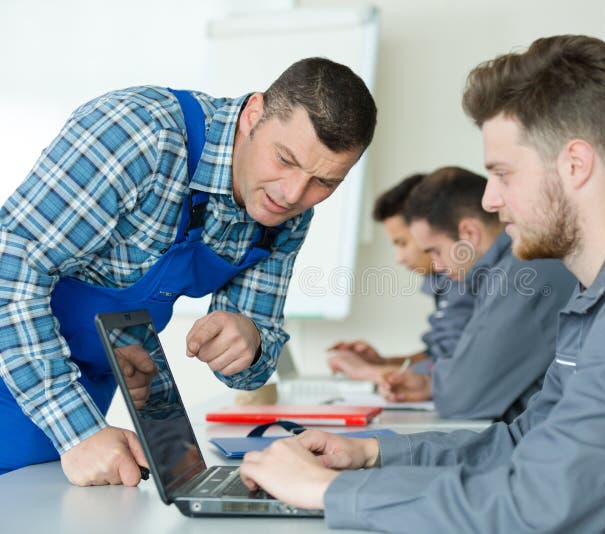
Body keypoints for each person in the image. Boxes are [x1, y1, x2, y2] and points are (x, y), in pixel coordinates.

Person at [238, 35, 605, 532]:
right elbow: (524, 445)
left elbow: (533, 508)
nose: (490, 199)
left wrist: (328, 491)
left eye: (503, 173)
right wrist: (373, 455)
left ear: (574, 165)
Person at [0, 57, 377, 485]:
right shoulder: (140, 134)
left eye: (324, 182)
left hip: (77, 397)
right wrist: (79, 432)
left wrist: (250, 341)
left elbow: (252, 370)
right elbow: (10, 266)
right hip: (29, 376)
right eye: (284, 159)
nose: (293, 194)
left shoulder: (285, 216)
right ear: (253, 114)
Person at [372, 166, 574, 419]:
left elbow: (461, 398)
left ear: (469, 233)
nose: (437, 266)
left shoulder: (520, 274)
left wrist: (437, 383)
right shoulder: (503, 271)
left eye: (436, 251)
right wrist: (428, 383)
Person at [327, 173, 475, 387]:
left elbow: (456, 367)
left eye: (402, 243)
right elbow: (438, 355)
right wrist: (384, 363)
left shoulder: (463, 278)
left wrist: (369, 372)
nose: (399, 258)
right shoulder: (443, 280)